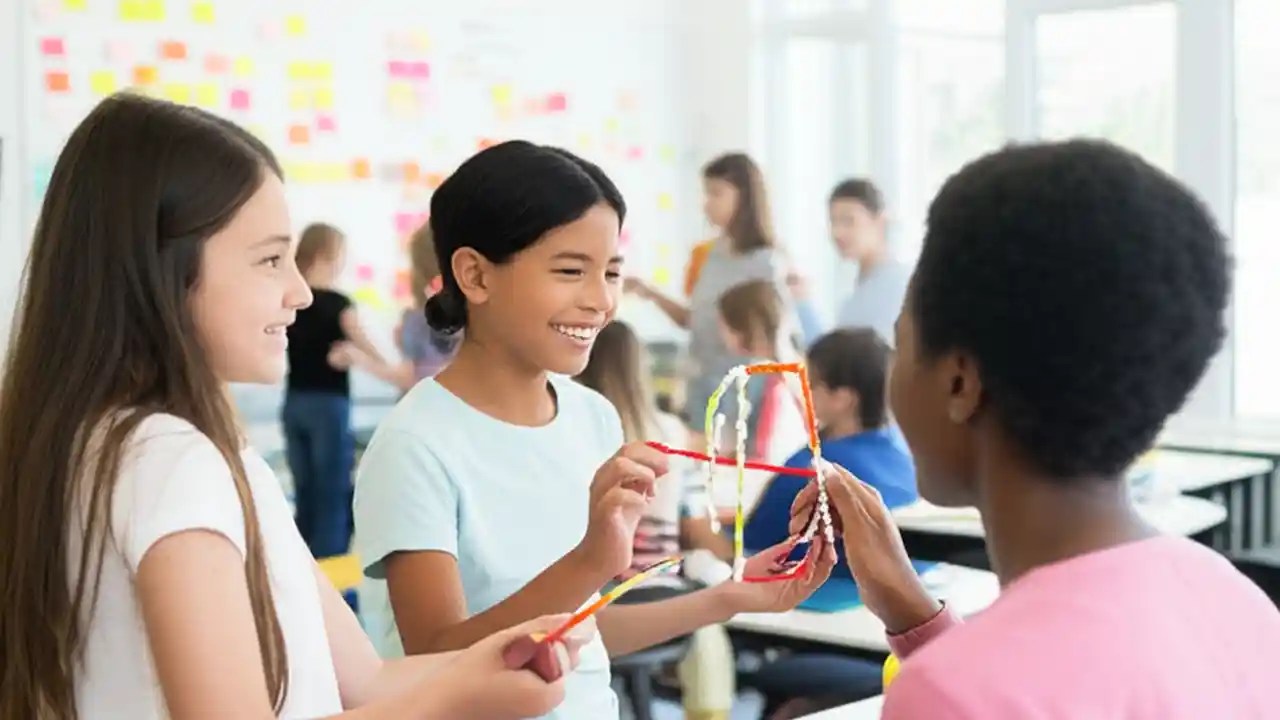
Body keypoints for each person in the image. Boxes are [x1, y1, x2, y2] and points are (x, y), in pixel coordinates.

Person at [0, 93, 585, 720]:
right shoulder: (167, 461)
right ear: (163, 271)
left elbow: (366, 681)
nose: (300, 292)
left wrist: (496, 655)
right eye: (270, 260)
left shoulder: (167, 448)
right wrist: (454, 700)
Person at [790, 139, 1280, 718]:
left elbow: (993, 693)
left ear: (960, 383)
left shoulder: (952, 693)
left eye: (902, 343)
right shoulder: (1235, 603)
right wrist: (913, 612)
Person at [352, 140, 835, 720]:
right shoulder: (415, 445)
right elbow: (434, 656)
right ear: (475, 275)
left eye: (610, 272)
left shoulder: (593, 416)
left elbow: (582, 631)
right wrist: (589, 560)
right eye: (570, 271)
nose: (600, 300)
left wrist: (730, 597)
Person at [625, 153, 792, 449]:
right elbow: (695, 320)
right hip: (700, 382)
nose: (706, 203)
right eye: (706, 193)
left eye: (716, 193)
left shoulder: (765, 262)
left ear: (745, 197)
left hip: (739, 389)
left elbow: (765, 336)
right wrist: (650, 292)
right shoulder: (711, 254)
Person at [284, 222, 387, 558]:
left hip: (294, 404)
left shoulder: (288, 301)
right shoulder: (339, 305)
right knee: (333, 497)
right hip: (329, 407)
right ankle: (336, 591)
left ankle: (302, 573)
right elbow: (373, 353)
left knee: (306, 496)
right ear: (328, 254)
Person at [337, 223, 460, 392]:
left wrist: (360, 360)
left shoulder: (419, 319)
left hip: (426, 409)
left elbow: (411, 378)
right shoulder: (479, 314)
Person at [792, 179, 911, 346]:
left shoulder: (901, 285)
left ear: (880, 222)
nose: (837, 232)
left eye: (848, 221)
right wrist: (802, 302)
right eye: (833, 221)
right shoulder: (856, 294)